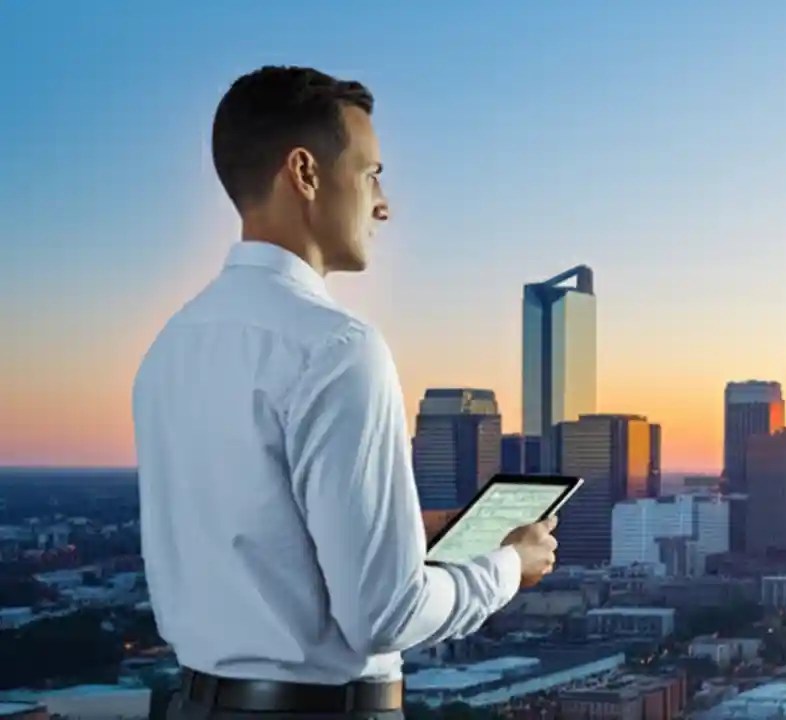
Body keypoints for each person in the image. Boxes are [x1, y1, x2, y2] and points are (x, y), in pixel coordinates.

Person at [132, 66, 558, 719]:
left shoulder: (171, 346)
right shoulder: (337, 349)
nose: (383, 204)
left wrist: (400, 538)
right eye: (370, 173)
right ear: (304, 173)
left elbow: (254, 544)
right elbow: (386, 617)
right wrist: (507, 567)